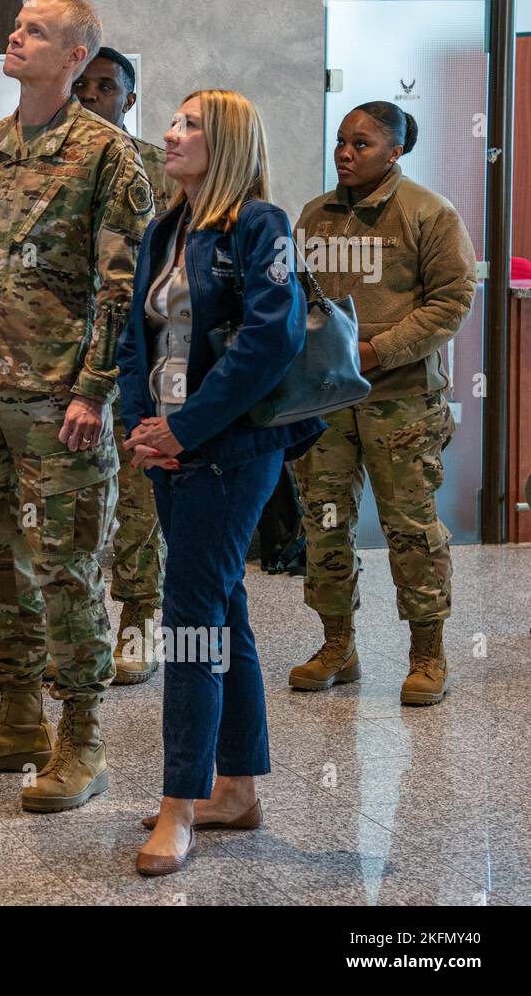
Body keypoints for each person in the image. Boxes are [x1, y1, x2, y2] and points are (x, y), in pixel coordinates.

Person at [0, 0, 154, 813]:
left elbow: (123, 292)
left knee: (66, 567)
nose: (15, 35)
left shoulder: (108, 156)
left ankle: (82, 740)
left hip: (63, 400)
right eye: (16, 24)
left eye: (37, 32)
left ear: (76, 60)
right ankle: (17, 716)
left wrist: (96, 389)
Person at [115, 89, 324, 875]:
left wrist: (186, 426)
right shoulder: (165, 228)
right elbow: (135, 337)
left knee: (192, 618)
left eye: (190, 124)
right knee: (222, 605)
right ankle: (235, 789)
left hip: (233, 452)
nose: (171, 133)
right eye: (173, 120)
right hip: (170, 446)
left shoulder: (259, 225)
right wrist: (145, 425)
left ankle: (180, 804)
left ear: (228, 141)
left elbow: (268, 342)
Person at [289, 102, 476, 706]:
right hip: (325, 403)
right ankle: (337, 645)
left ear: (395, 152)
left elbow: (451, 301)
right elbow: (292, 297)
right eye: (342, 142)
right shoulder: (314, 217)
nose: (345, 153)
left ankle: (428, 653)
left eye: (362, 144)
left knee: (410, 529)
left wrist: (376, 352)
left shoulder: (428, 213)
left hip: (400, 401)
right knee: (324, 523)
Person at [74, 46, 168, 684]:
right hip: (65, 359)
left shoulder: (161, 171)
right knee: (74, 501)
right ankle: (83, 631)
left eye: (105, 86)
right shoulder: (54, 164)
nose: (90, 96)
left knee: (137, 497)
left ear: (129, 100)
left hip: (143, 356)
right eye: (82, 85)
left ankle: (139, 620)